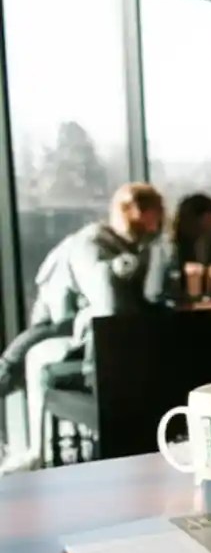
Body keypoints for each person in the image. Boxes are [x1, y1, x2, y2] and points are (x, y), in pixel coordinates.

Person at [0, 183, 167, 468]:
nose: (155, 220)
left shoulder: (133, 247)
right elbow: (105, 305)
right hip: (60, 310)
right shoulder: (92, 243)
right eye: (150, 213)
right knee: (27, 351)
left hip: (82, 317)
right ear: (131, 212)